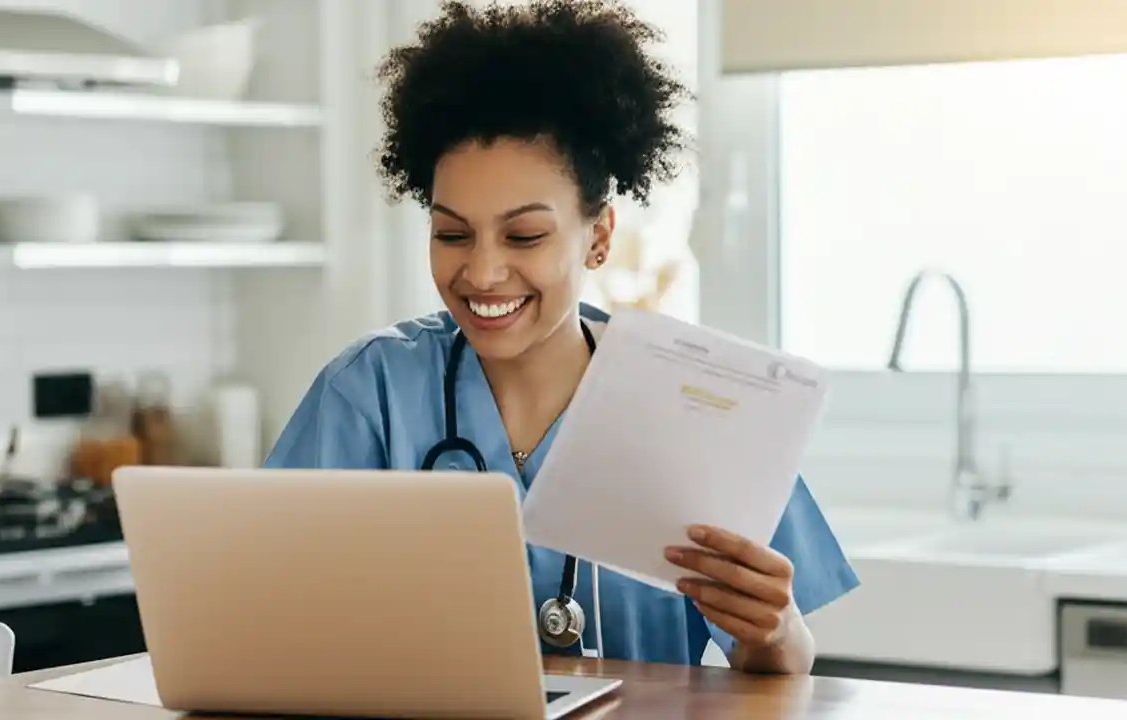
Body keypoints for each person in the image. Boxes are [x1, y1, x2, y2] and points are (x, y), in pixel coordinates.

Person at [265, 0, 858, 673]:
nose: (482, 272)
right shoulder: (369, 394)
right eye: (452, 233)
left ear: (598, 236)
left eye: (524, 236)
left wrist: (772, 633)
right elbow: (270, 621)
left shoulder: (697, 403)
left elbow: (784, 667)